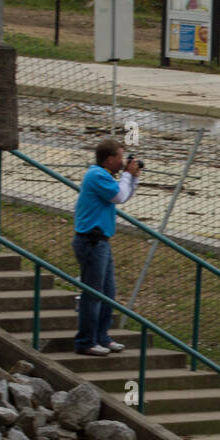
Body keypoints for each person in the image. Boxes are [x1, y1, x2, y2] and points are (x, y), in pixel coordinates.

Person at [72, 138, 142, 356]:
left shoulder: (106, 177)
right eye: (120, 157)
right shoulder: (97, 175)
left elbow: (124, 195)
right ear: (110, 159)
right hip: (91, 241)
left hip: (101, 241)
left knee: (108, 293)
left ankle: (102, 336)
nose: (123, 162)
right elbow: (119, 196)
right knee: (93, 294)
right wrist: (127, 175)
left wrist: (133, 178)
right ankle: (86, 340)